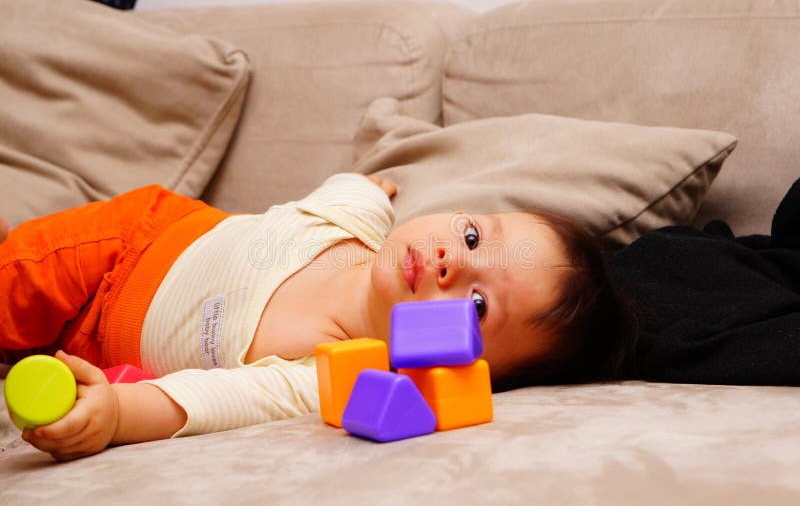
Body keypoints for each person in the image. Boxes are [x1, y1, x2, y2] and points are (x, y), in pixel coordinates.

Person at [1, 173, 637, 460]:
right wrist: (372, 187)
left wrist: (114, 414)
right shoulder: (356, 224)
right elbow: (354, 189)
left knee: (29, 350)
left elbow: (213, 399)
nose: (449, 260)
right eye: (472, 236)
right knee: (18, 276)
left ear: (460, 366)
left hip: (98, 340)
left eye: (477, 305)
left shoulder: (329, 371)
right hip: (133, 241)